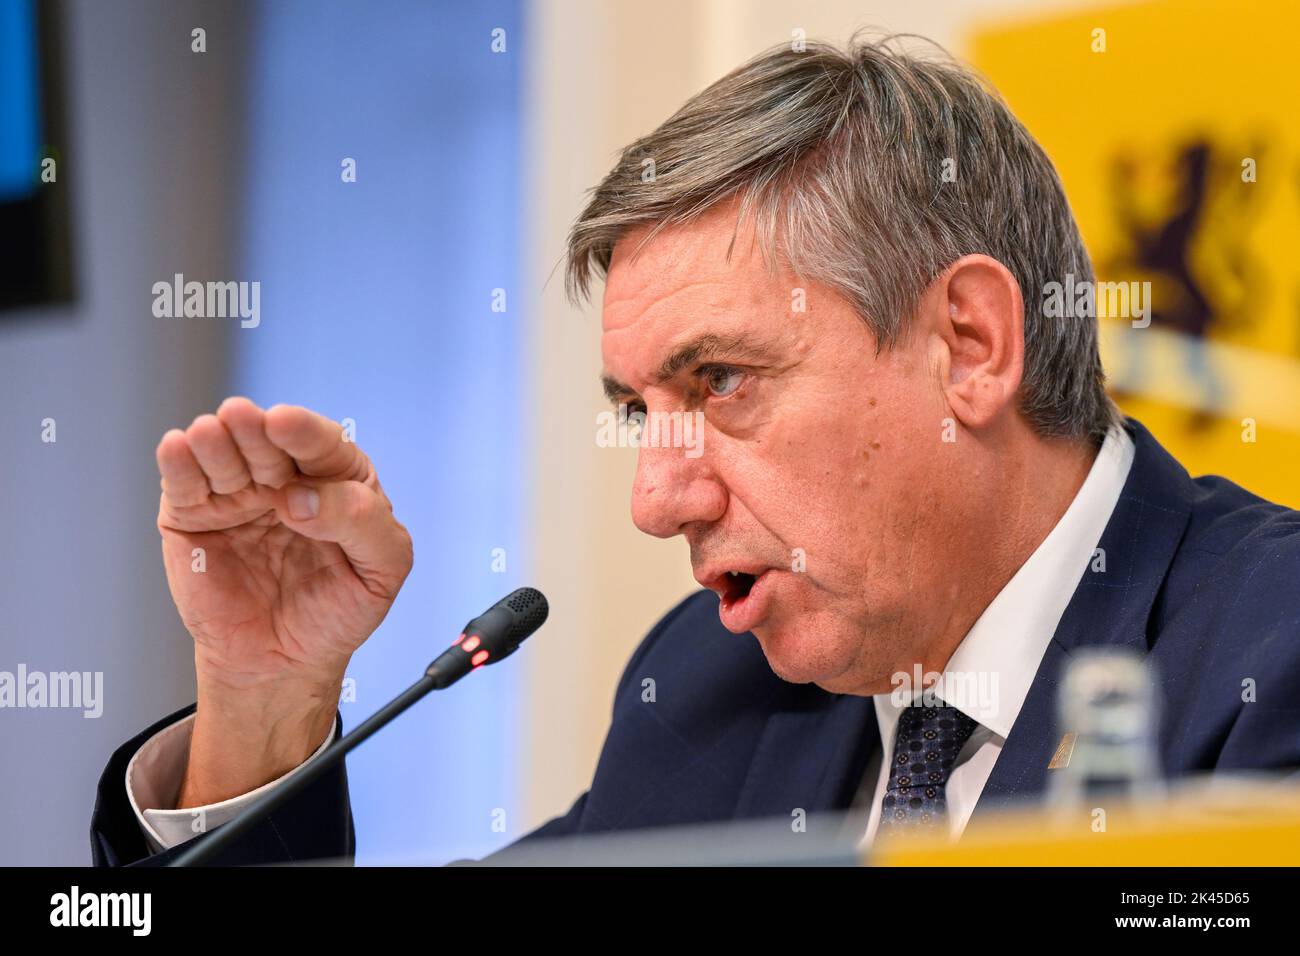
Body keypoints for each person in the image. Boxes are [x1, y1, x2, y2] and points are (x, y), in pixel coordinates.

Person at [92, 37, 1300, 866]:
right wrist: (262, 698)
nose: (654, 498)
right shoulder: (713, 687)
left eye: (720, 383)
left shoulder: (1270, 656)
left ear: (969, 346)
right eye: (636, 409)